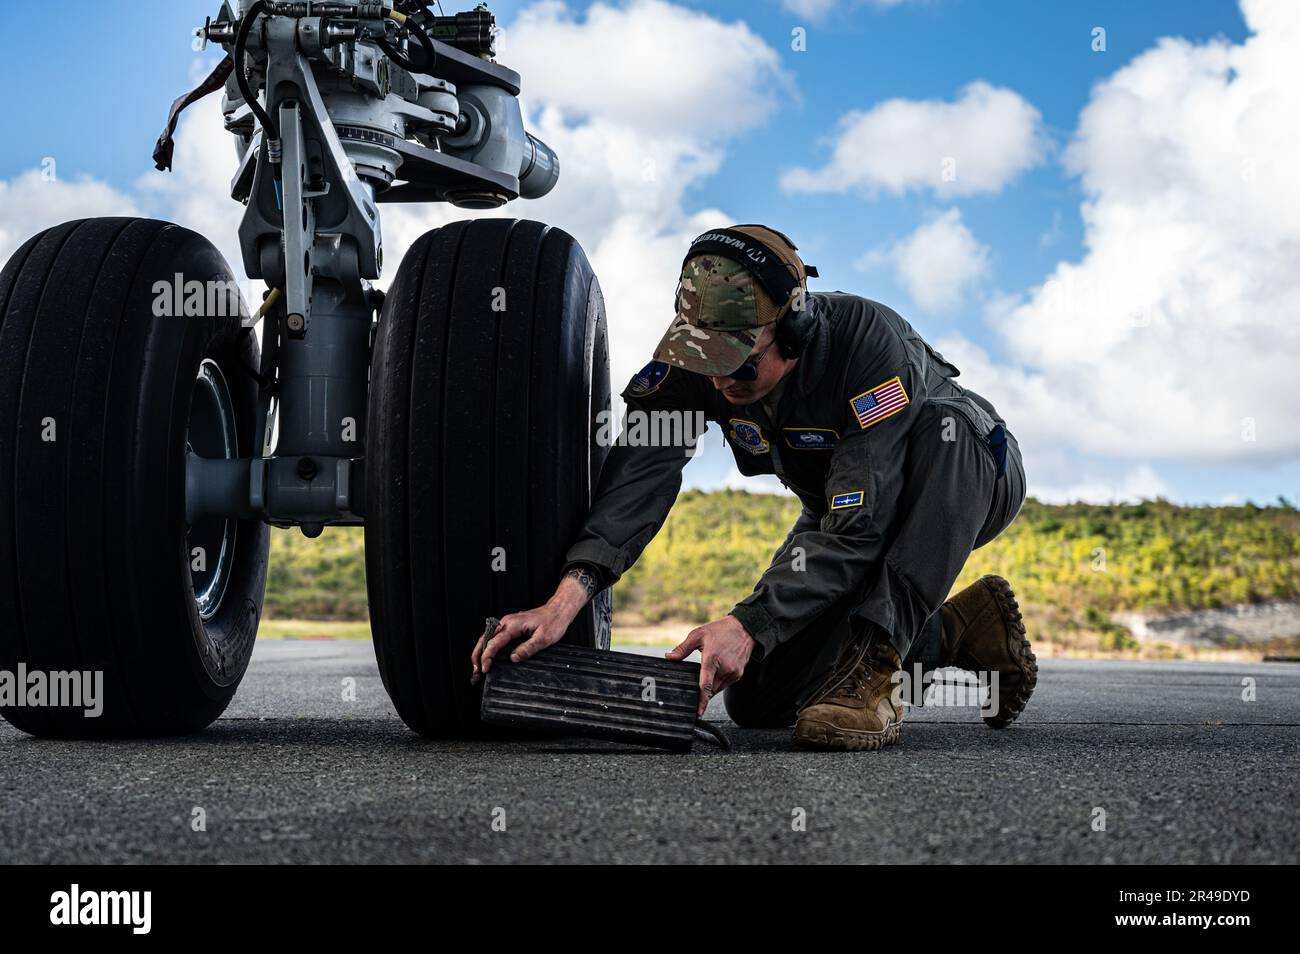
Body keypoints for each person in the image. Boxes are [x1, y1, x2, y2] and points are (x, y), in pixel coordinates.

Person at [471, 224, 1036, 751]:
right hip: (838, 508)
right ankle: (962, 627)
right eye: (707, 359)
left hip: (965, 479)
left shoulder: (867, 345)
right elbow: (638, 481)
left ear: (794, 331)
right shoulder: (692, 364)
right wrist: (565, 600)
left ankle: (878, 667)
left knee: (951, 432)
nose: (720, 379)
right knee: (760, 699)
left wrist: (746, 621)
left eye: (740, 364)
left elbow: (861, 523)